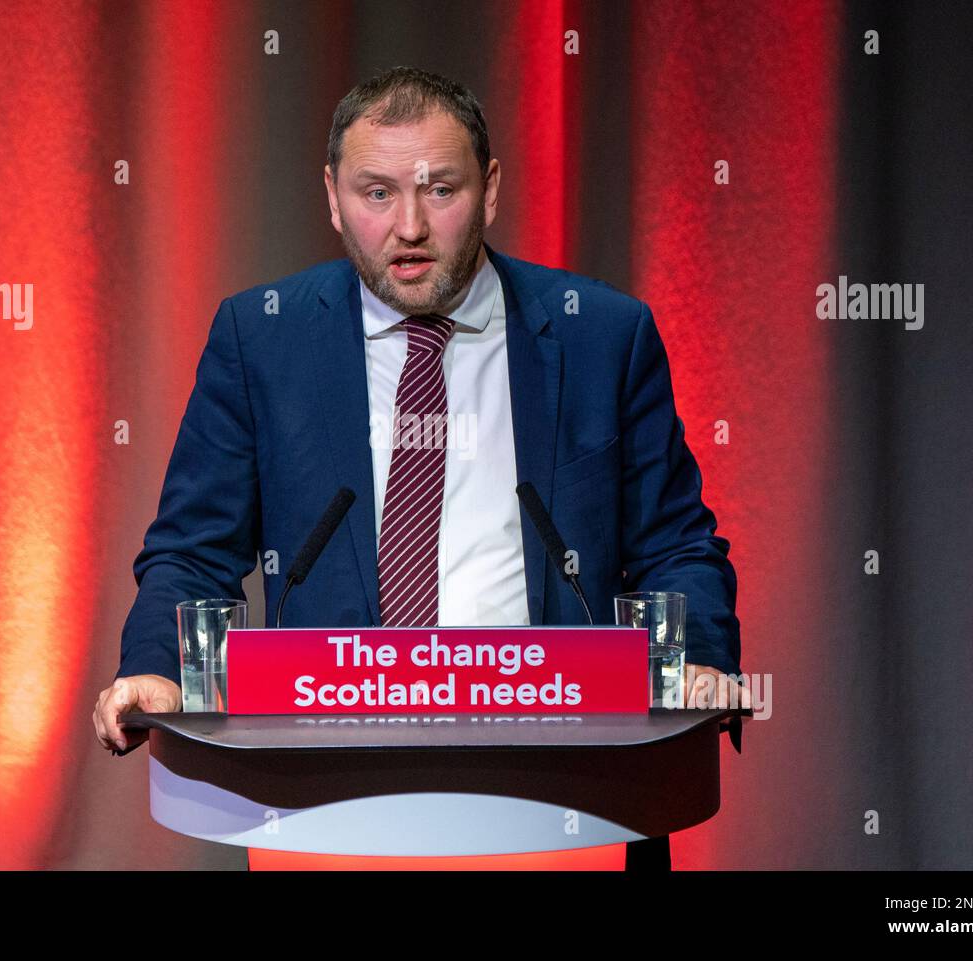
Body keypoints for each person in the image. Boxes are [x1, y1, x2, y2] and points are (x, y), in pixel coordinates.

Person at [93, 66, 748, 871]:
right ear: (332, 197)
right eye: (376, 193)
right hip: (329, 802)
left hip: (569, 795)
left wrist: (704, 661)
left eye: (440, 189)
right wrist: (157, 667)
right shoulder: (261, 340)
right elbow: (193, 552)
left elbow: (676, 543)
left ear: (491, 188)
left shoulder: (602, 336)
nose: (409, 225)